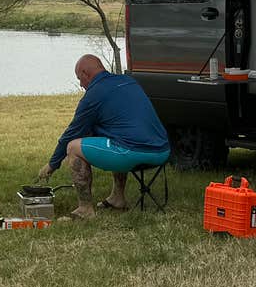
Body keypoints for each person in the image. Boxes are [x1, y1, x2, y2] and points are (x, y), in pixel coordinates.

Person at [36, 54, 171, 218]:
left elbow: (71, 133)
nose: (80, 84)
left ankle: (85, 209)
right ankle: (117, 198)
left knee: (73, 147)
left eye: (80, 79)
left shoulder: (93, 95)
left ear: (86, 74)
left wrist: (52, 164)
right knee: (116, 137)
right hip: (161, 151)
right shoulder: (128, 81)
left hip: (132, 153)